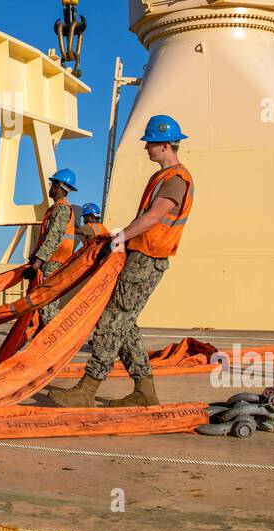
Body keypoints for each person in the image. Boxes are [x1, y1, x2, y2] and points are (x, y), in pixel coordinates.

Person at [49, 115, 192, 408]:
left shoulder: (176, 180)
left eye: (150, 144)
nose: (146, 149)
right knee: (125, 324)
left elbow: (153, 217)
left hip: (147, 260)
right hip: (143, 256)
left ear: (165, 145)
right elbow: (148, 216)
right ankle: (144, 390)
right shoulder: (163, 178)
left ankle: (88, 389)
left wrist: (122, 236)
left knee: (110, 321)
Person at [28, 169, 78, 327]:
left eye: (52, 184)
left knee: (47, 306)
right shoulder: (57, 208)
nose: (50, 187)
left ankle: (56, 340)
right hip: (52, 261)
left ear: (57, 186)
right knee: (44, 304)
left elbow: (53, 237)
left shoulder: (62, 208)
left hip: (54, 263)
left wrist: (37, 264)